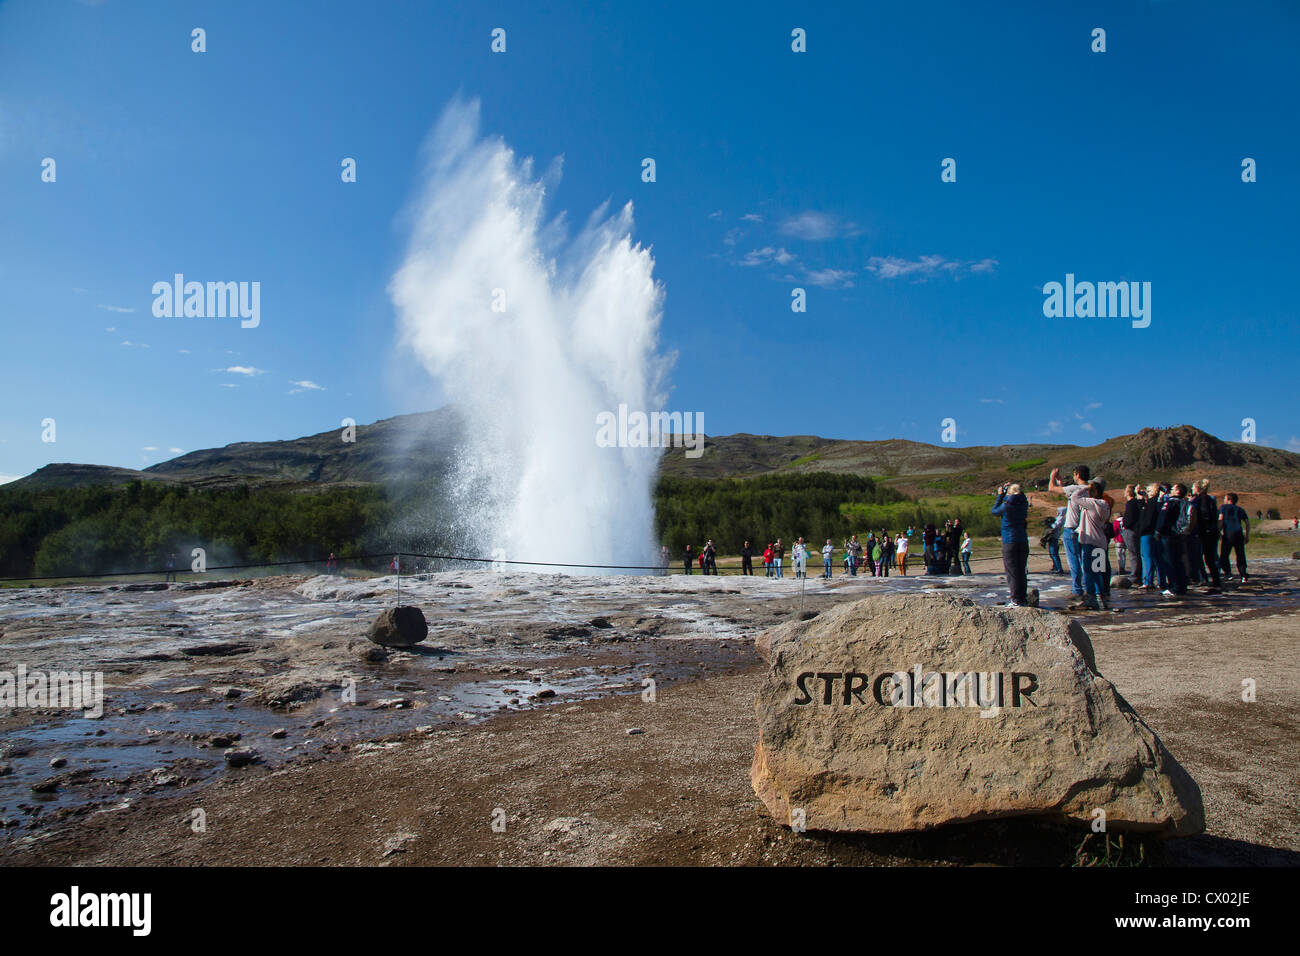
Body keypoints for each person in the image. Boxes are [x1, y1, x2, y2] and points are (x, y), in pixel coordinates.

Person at [1048, 465, 1092, 606]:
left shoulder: (1075, 489)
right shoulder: (1090, 490)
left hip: (1072, 528)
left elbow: (1051, 489)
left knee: (1074, 560)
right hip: (1085, 528)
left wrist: (1052, 477)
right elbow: (1068, 494)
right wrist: (1061, 483)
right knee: (1085, 559)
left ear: (1077, 475)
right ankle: (1089, 588)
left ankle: (1077, 589)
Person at [1076, 481, 1113, 610]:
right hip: (1101, 542)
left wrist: (1084, 487)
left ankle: (1091, 597)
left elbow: (1075, 498)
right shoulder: (1105, 505)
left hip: (1090, 541)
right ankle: (1102, 596)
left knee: (1088, 571)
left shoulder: (1092, 503)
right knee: (1098, 571)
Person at [991, 482, 1030, 606]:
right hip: (1023, 540)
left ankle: (1015, 599)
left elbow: (994, 511)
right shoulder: (1024, 504)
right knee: (1021, 570)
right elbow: (1021, 496)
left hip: (1009, 541)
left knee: (1012, 571)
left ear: (1009, 493)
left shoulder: (1007, 506)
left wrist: (1000, 495)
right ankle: (1022, 598)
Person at [1155, 484, 1190, 596]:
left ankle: (1174, 587)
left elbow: (1163, 517)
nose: (1170, 491)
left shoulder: (1171, 502)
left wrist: (1158, 531)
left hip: (1169, 534)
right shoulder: (1184, 503)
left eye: (1173, 489)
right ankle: (1181, 586)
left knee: (1169, 561)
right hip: (1179, 534)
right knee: (1178, 561)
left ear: (1178, 491)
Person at [1191, 481, 1221, 591]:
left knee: (1207, 557)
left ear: (1198, 489)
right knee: (1209, 557)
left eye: (1193, 487)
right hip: (1210, 531)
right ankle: (1214, 580)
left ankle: (1213, 581)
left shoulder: (1202, 499)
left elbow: (1205, 514)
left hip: (1205, 532)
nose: (1192, 489)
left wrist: (1199, 524)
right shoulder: (1209, 499)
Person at [1219, 493, 1250, 583]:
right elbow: (1247, 523)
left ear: (1229, 500)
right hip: (1238, 534)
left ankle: (1228, 573)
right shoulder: (1240, 509)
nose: (1223, 500)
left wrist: (1218, 531)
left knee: (1224, 555)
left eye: (1225, 498)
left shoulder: (1223, 507)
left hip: (1228, 533)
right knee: (1240, 555)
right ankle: (1243, 574)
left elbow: (1221, 520)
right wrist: (1247, 535)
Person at [1138, 484, 1163, 590]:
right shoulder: (1154, 502)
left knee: (1147, 557)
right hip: (1151, 532)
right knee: (1154, 557)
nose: (1146, 493)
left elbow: (1148, 519)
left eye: (1148, 491)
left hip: (1147, 533)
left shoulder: (1152, 503)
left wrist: (1141, 530)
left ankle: (1148, 581)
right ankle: (1158, 581)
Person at [1121, 485, 1143, 583]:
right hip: (1133, 529)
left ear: (1129, 492)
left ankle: (1135, 575)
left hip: (1130, 530)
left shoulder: (1131, 503)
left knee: (1133, 553)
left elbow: (1130, 517)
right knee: (1135, 553)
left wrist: (1125, 524)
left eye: (1125, 490)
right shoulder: (1134, 502)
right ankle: (1137, 574)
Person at [1047, 506, 1066, 573]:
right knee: (1052, 553)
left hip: (1054, 537)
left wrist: (1050, 524)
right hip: (1053, 537)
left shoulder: (1061, 518)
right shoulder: (1059, 518)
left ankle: (1059, 568)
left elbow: (1055, 526)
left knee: (1054, 553)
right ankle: (1055, 566)